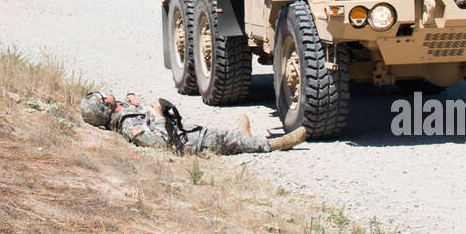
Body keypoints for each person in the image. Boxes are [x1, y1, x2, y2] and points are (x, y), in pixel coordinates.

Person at [80, 91, 305, 155]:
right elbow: (157, 143)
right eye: (103, 98)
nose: (106, 94)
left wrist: (137, 102)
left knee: (224, 136)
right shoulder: (129, 126)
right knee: (224, 140)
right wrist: (158, 115)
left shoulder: (124, 113)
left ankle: (244, 137)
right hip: (188, 142)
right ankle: (272, 144)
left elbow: (144, 115)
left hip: (186, 133)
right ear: (105, 108)